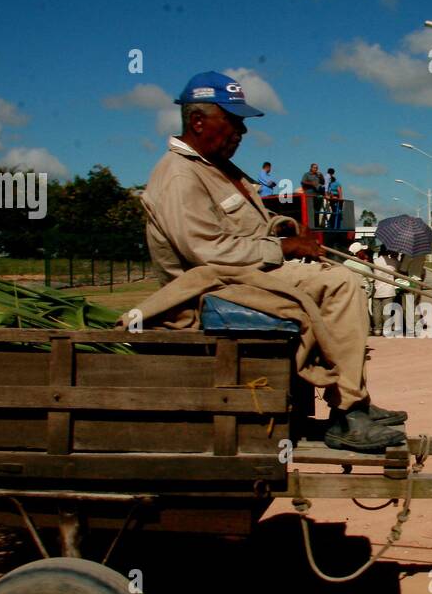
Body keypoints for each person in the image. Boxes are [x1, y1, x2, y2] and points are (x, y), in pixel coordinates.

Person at [139, 71, 406, 452]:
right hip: (212, 289)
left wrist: (283, 232)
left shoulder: (218, 169)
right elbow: (208, 252)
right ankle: (348, 414)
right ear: (198, 121)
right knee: (342, 283)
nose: (241, 132)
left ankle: (353, 401)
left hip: (241, 278)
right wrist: (282, 249)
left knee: (332, 272)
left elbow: (248, 230)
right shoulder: (179, 175)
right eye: (233, 121)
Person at [371, 244, 398, 336]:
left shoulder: (375, 261)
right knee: (387, 311)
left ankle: (377, 329)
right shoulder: (393, 262)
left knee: (376, 311)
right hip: (389, 290)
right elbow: (398, 272)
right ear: (389, 252)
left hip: (377, 289)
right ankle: (387, 330)